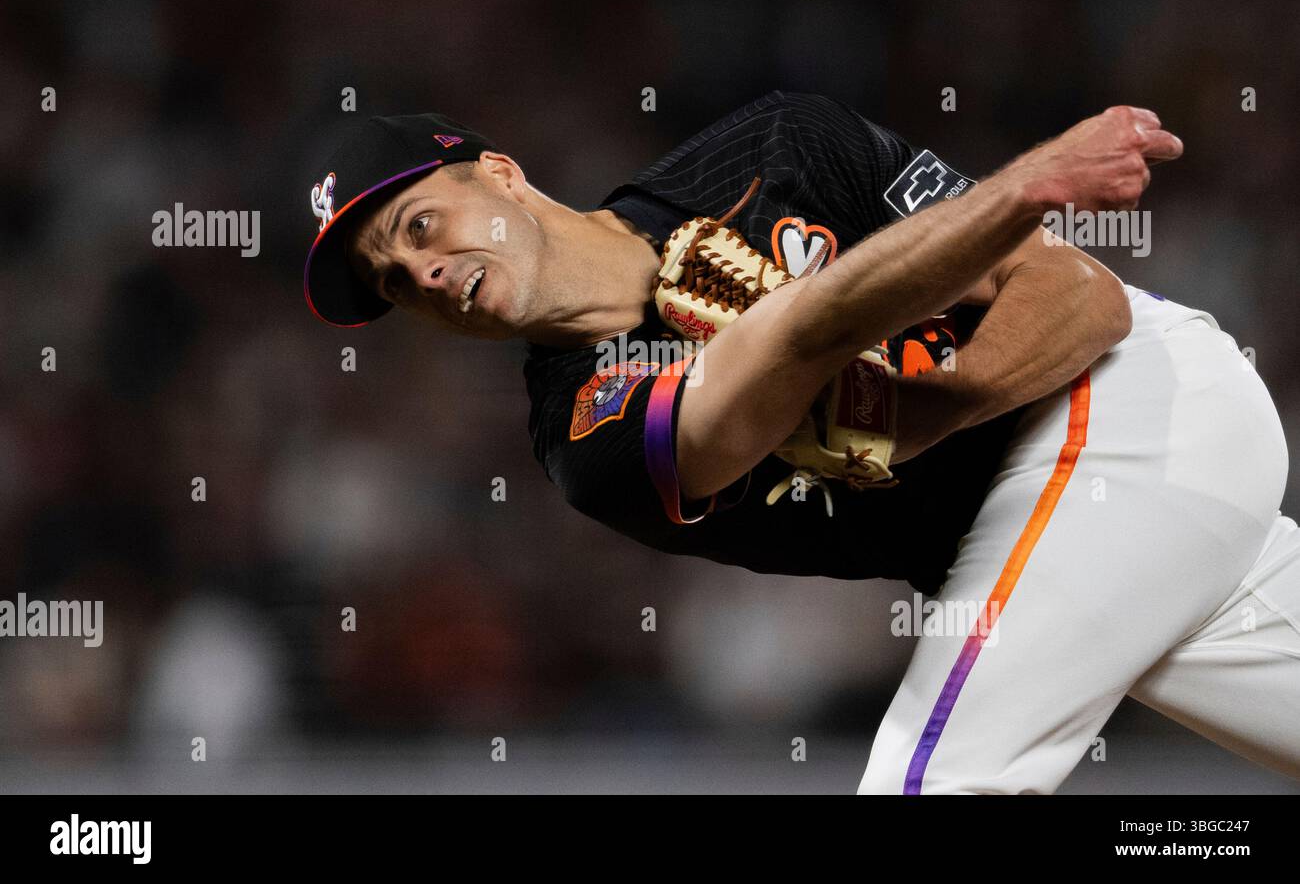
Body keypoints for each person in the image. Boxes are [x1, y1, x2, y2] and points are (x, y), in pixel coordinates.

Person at [303, 91, 1300, 792]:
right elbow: (770, 365)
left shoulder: (776, 149)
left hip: (1129, 403)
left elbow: (1085, 297)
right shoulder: (583, 430)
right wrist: (1009, 196)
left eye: (421, 224)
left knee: (936, 780)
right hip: (1100, 542)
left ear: (500, 175)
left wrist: (937, 405)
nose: (422, 273)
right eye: (391, 280)